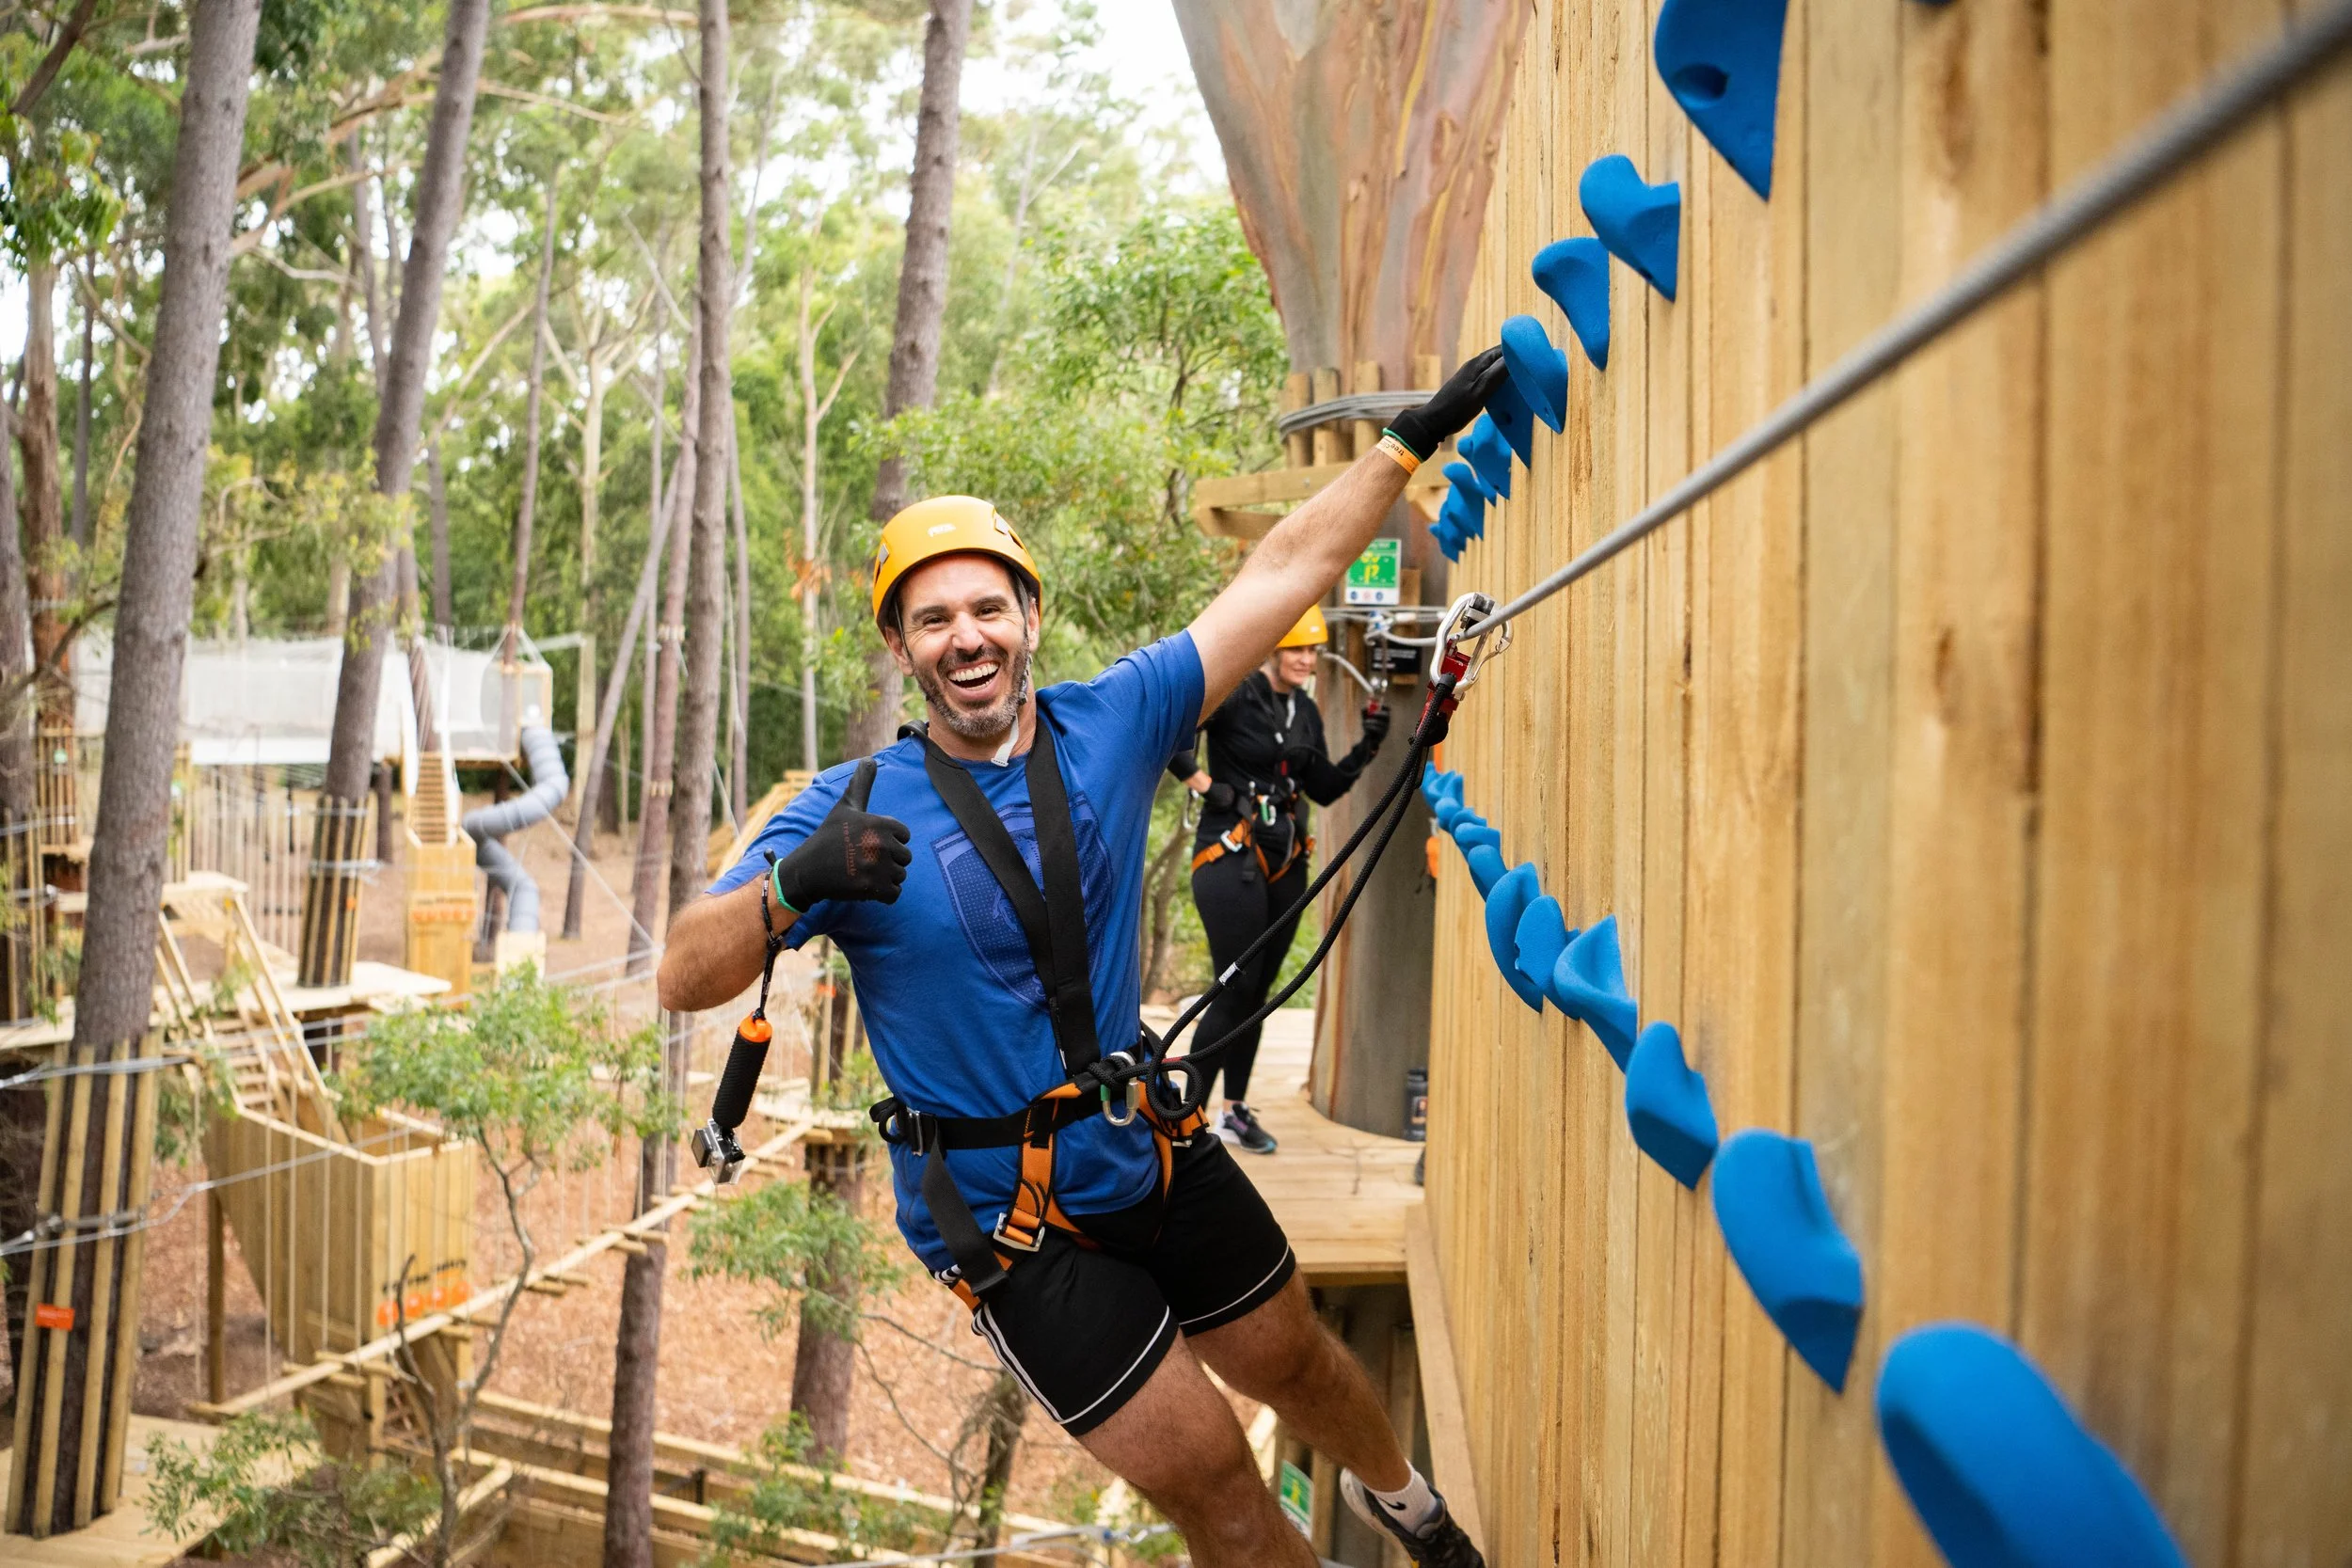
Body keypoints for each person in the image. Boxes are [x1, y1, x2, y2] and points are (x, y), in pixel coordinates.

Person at [659, 349, 1505, 1568]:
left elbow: (1277, 575)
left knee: (1300, 1357)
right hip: (1011, 1219)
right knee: (1215, 1480)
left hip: (1144, 1140)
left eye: (987, 606)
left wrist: (1403, 445)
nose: (967, 636)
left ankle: (1408, 1505)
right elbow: (683, 972)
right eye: (934, 617)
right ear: (903, 648)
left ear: (1030, 616)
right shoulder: (848, 806)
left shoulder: (1118, 717)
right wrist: (793, 881)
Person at [1168, 602, 1388, 1154]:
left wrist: (1370, 745)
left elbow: (1326, 788)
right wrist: (1207, 786)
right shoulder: (1236, 692)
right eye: (1297, 649)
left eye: (1313, 651)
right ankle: (1183, 1118)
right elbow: (1175, 739)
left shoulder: (1305, 714)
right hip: (1229, 855)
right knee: (1232, 987)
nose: (1306, 660)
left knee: (1258, 994)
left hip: (1285, 861)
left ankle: (1234, 1111)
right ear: (1274, 648)